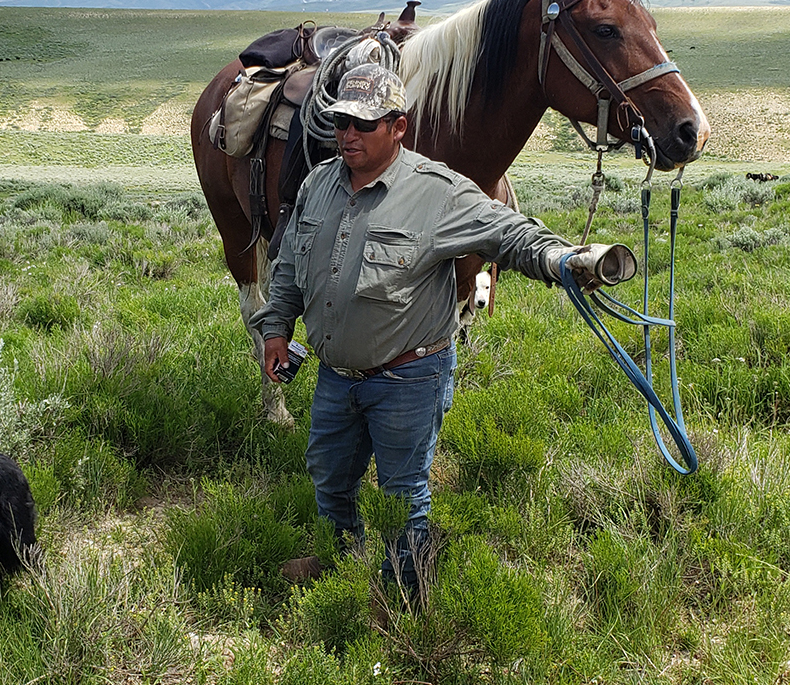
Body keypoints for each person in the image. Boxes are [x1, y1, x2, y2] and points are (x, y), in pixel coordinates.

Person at [254, 63, 634, 588]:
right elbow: (292, 265)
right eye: (341, 122)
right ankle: (341, 566)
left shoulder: (438, 192)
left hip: (408, 379)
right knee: (330, 478)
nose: (348, 135)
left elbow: (509, 234)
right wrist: (276, 328)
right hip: (336, 374)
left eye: (364, 125)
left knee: (403, 491)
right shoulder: (319, 184)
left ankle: (407, 591)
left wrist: (563, 260)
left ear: (398, 127)